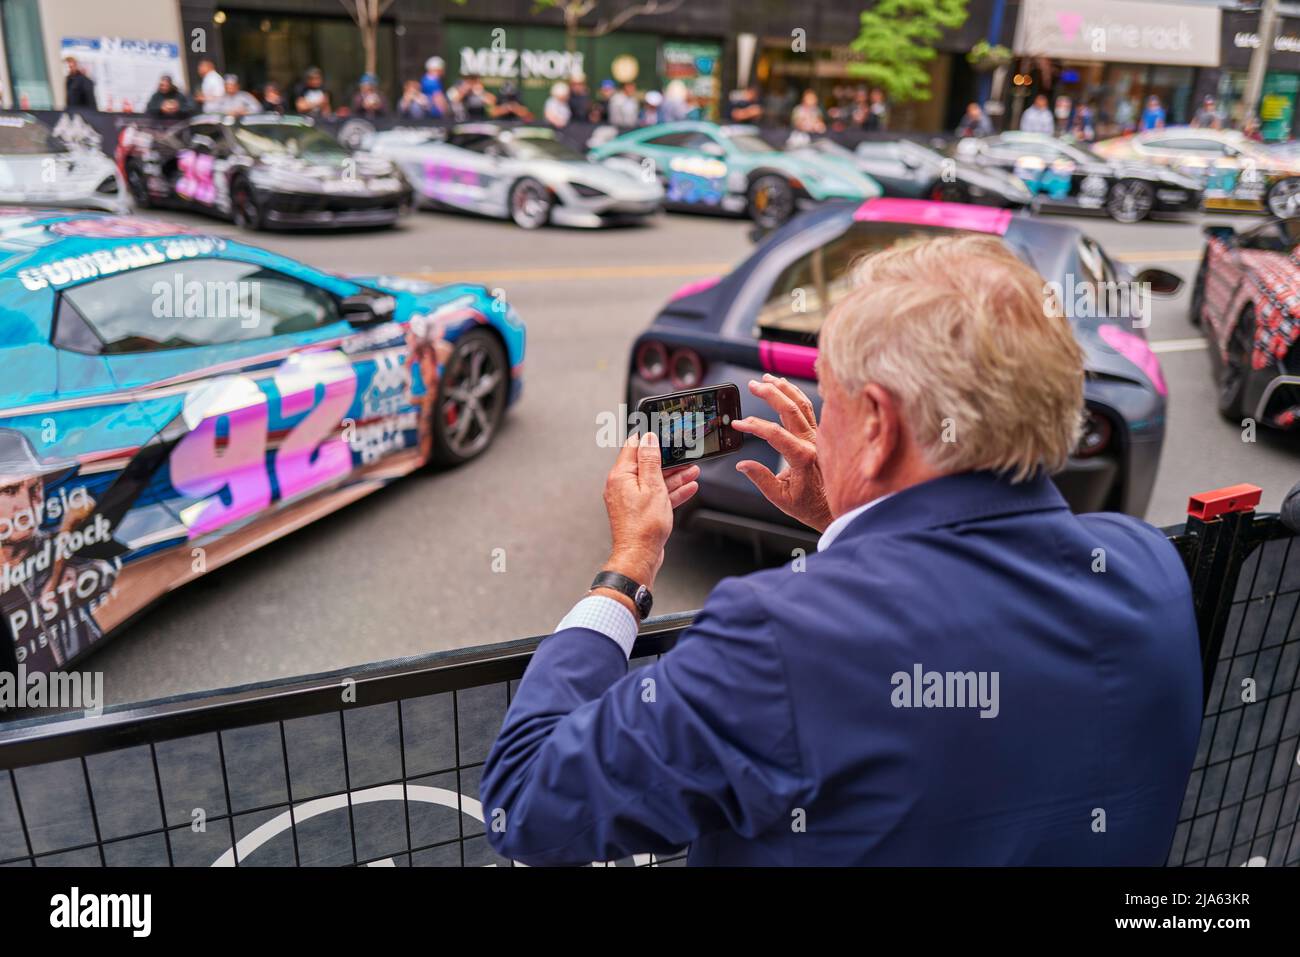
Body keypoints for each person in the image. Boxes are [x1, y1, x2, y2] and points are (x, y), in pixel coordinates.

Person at [479, 233, 1203, 867]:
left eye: (829, 400)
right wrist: (847, 516)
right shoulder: (1145, 565)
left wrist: (628, 569)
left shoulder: (779, 635)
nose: (819, 426)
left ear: (879, 427)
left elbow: (528, 802)